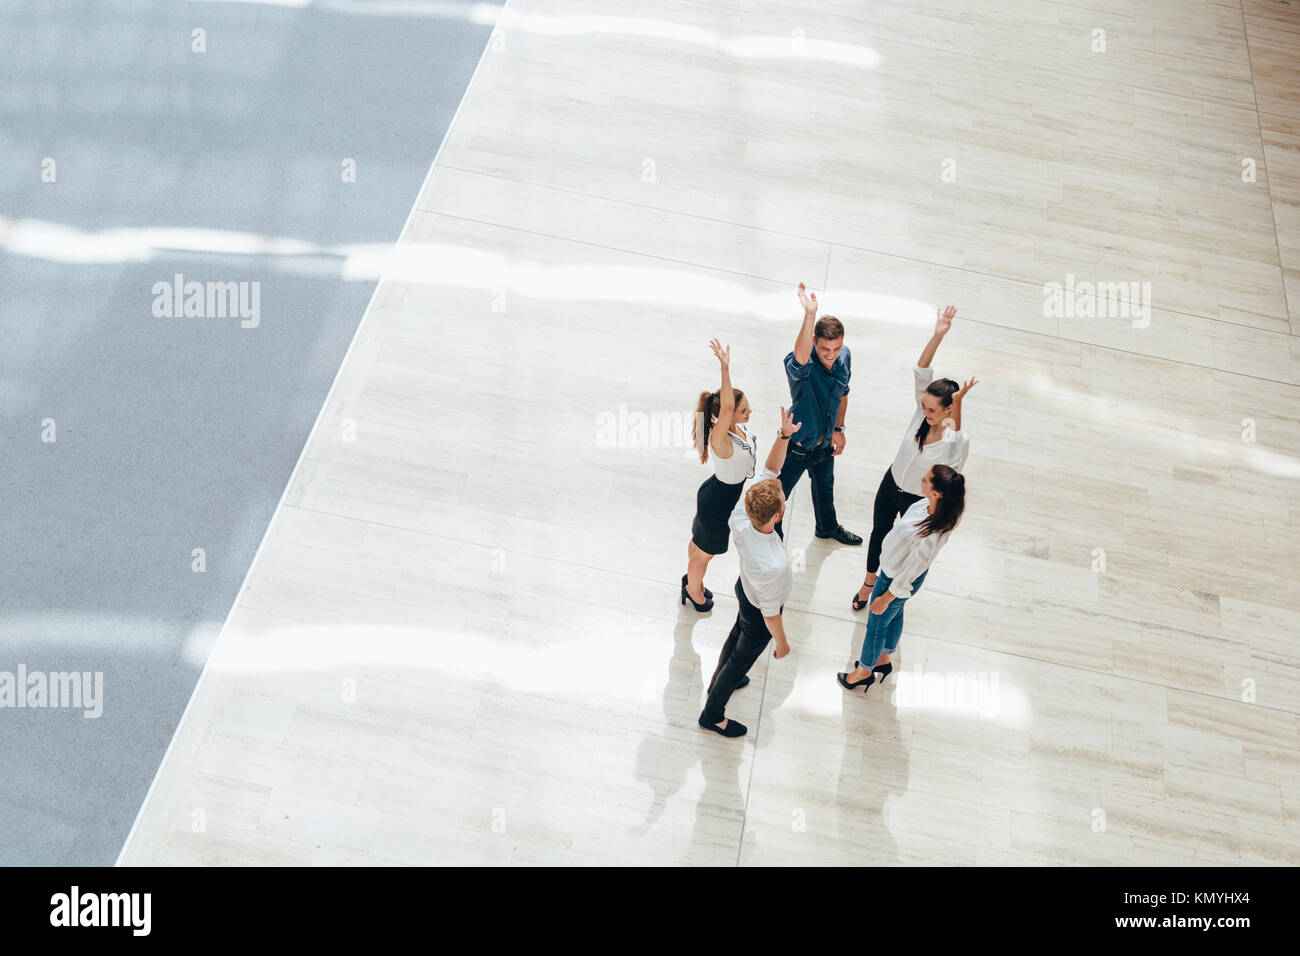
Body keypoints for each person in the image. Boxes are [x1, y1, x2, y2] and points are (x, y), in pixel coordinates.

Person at [852, 305, 976, 610]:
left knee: (902, 547)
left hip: (915, 499)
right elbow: (922, 370)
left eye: (933, 409)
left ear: (949, 409)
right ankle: (868, 584)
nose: (925, 411)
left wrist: (959, 404)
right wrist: (937, 335)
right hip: (891, 482)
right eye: (924, 405)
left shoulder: (953, 442)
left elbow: (957, 437)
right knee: (878, 533)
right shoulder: (922, 413)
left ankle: (889, 593)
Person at [699, 407, 801, 738]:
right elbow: (771, 614)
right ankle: (713, 713)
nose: (784, 496)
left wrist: (783, 435)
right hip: (761, 610)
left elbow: (771, 468)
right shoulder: (775, 565)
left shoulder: (744, 514)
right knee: (742, 655)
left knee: (734, 637)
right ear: (775, 517)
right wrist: (782, 642)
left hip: (746, 590)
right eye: (783, 499)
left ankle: (721, 676)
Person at [838, 464, 966, 692]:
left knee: (876, 625)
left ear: (937, 493)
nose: (921, 480)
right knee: (894, 616)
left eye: (925, 480)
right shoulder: (926, 505)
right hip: (894, 573)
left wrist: (885, 597)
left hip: (896, 580)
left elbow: (910, 573)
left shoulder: (931, 534)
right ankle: (883, 660)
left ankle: (864, 671)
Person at [776, 282, 861, 544]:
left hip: (825, 443)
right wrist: (809, 314)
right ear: (814, 342)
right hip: (799, 446)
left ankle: (826, 527)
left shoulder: (843, 357)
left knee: (825, 489)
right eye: (825, 349)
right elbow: (800, 358)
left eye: (836, 348)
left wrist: (839, 429)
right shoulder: (804, 365)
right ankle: (772, 537)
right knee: (778, 493)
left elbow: (843, 393)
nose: (831, 355)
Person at [682, 340, 756, 611]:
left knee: (698, 544)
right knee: (705, 553)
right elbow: (726, 408)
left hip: (719, 495)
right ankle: (693, 590)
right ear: (728, 415)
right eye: (743, 410)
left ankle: (692, 580)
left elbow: (729, 411)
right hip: (718, 502)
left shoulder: (738, 430)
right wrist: (725, 368)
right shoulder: (720, 438)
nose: (749, 413)